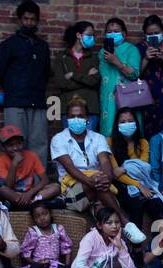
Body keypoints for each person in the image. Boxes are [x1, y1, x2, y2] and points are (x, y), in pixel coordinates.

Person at [51, 97, 146, 244]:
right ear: (66, 119)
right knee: (97, 187)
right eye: (72, 116)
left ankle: (116, 252)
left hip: (99, 186)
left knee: (103, 213)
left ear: (87, 118)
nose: (76, 119)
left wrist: (106, 178)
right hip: (72, 189)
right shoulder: (58, 139)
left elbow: (105, 162)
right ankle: (125, 222)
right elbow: (70, 167)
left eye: (80, 116)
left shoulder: (97, 138)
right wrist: (92, 180)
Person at [0, 0, 51, 165]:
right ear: (20, 20)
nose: (29, 23)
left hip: (37, 102)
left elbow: (46, 73)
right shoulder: (8, 45)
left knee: (39, 144)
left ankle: (39, 185)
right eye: (26, 19)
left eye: (33, 19)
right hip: (15, 102)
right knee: (15, 144)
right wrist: (16, 86)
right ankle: (18, 185)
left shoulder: (42, 46)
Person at [72, 206, 143, 268]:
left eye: (117, 222)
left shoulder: (119, 241)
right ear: (100, 225)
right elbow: (78, 266)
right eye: (109, 223)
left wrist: (120, 248)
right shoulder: (90, 238)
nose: (114, 226)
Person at [110, 107, 159, 232]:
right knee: (136, 203)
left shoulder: (143, 143)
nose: (127, 124)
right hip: (121, 185)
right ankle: (135, 245)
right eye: (123, 122)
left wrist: (124, 167)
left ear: (136, 123)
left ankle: (161, 245)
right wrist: (138, 185)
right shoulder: (109, 142)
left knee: (155, 204)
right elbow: (116, 174)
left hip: (144, 181)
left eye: (130, 121)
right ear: (117, 125)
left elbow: (144, 169)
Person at [50, 21, 101, 134]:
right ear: (78, 35)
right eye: (89, 35)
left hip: (91, 108)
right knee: (70, 143)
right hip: (68, 108)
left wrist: (73, 75)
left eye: (93, 35)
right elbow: (61, 83)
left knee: (90, 144)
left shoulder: (93, 58)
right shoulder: (61, 58)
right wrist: (86, 77)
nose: (92, 38)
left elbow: (95, 81)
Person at [0, 123, 58, 209]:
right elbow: (8, 186)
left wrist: (30, 193)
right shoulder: (1, 160)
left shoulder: (31, 155)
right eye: (10, 145)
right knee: (3, 190)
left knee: (55, 187)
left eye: (18, 144)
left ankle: (32, 202)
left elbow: (45, 180)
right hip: (14, 195)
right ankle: (32, 203)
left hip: (30, 194)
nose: (15, 148)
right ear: (3, 148)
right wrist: (14, 164)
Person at [98, 17, 140, 136]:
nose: (112, 34)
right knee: (108, 130)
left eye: (116, 31)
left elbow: (134, 74)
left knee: (127, 131)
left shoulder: (132, 50)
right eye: (109, 31)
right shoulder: (102, 52)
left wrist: (116, 61)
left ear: (124, 34)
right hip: (106, 98)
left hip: (127, 98)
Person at [19, 201, 73, 268]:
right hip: (39, 265)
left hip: (55, 265)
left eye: (45, 214)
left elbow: (67, 248)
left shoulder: (58, 229)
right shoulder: (33, 231)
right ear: (34, 219)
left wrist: (67, 265)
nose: (42, 218)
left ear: (50, 214)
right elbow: (26, 253)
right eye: (38, 216)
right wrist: (36, 263)